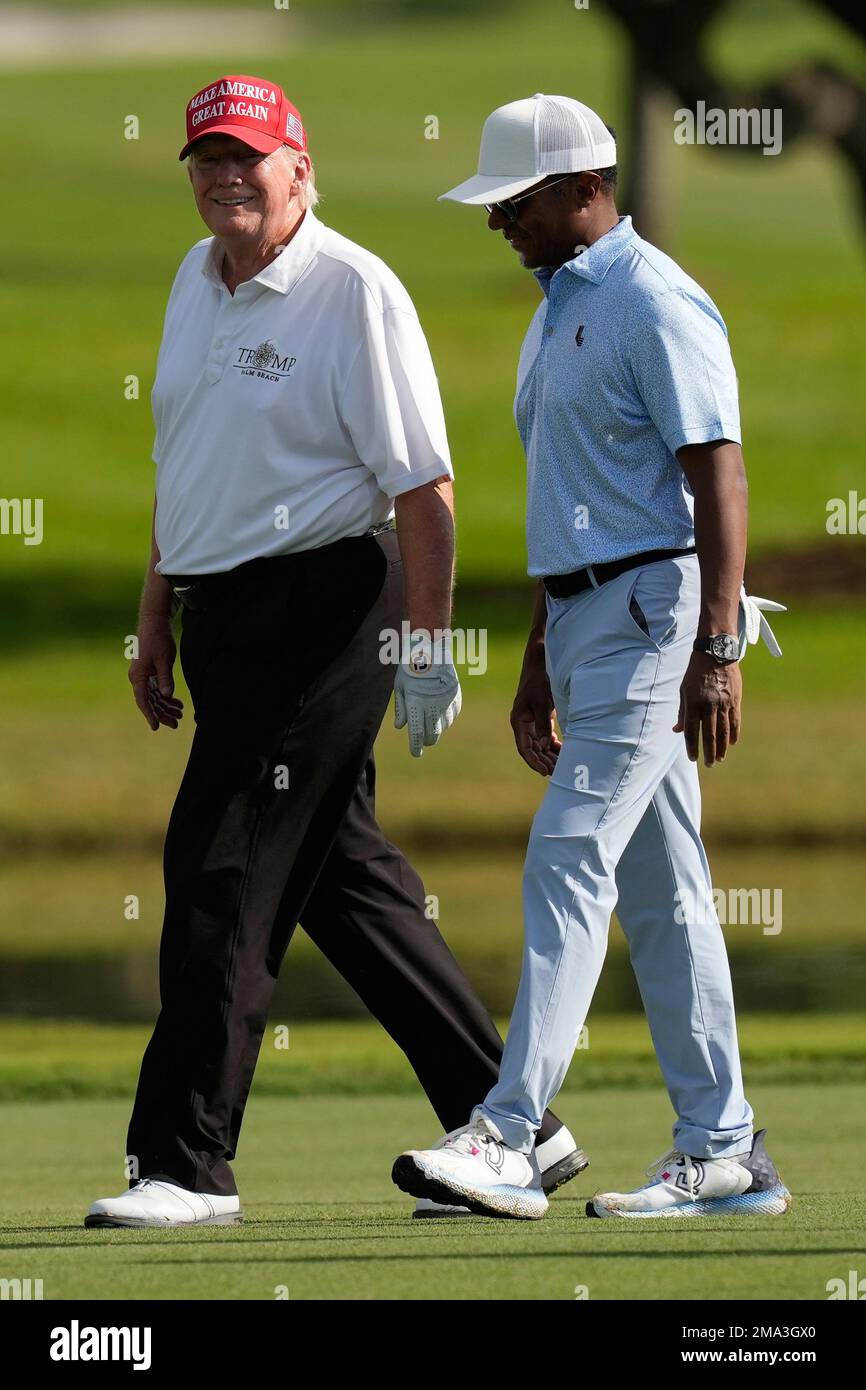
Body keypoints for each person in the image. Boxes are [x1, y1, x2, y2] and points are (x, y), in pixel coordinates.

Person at [84, 76, 583, 1229]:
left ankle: (185, 1163)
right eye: (205, 159)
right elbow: (184, 462)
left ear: (299, 167)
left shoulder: (354, 291)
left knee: (219, 864)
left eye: (246, 159)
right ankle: (517, 1119)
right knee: (340, 882)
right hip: (221, 617)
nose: (223, 177)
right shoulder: (191, 281)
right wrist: (156, 612)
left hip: (325, 608)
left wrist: (422, 640)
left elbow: (424, 487)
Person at [393, 94, 790, 1221]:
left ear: (582, 191)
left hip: (655, 615)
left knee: (566, 851)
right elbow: (573, 502)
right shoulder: (557, 301)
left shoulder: (652, 301)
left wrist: (718, 648)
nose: (495, 222)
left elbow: (717, 475)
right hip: (584, 620)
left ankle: (510, 1133)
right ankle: (723, 1148)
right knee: (663, 893)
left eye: (511, 202)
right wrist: (533, 659)